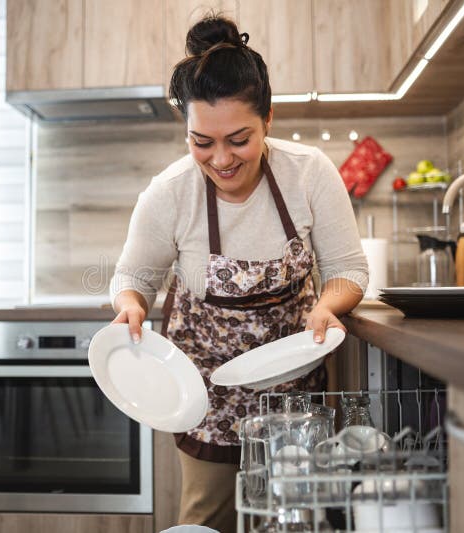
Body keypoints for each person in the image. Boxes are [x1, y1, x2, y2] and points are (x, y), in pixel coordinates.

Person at [110, 14, 368, 533]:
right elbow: (132, 276)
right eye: (201, 142)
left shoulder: (309, 172)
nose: (221, 159)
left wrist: (327, 304)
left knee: (297, 518)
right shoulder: (170, 192)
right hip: (205, 396)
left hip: (297, 396)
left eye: (238, 139)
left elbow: (348, 270)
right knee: (207, 520)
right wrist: (131, 305)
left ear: (268, 118)